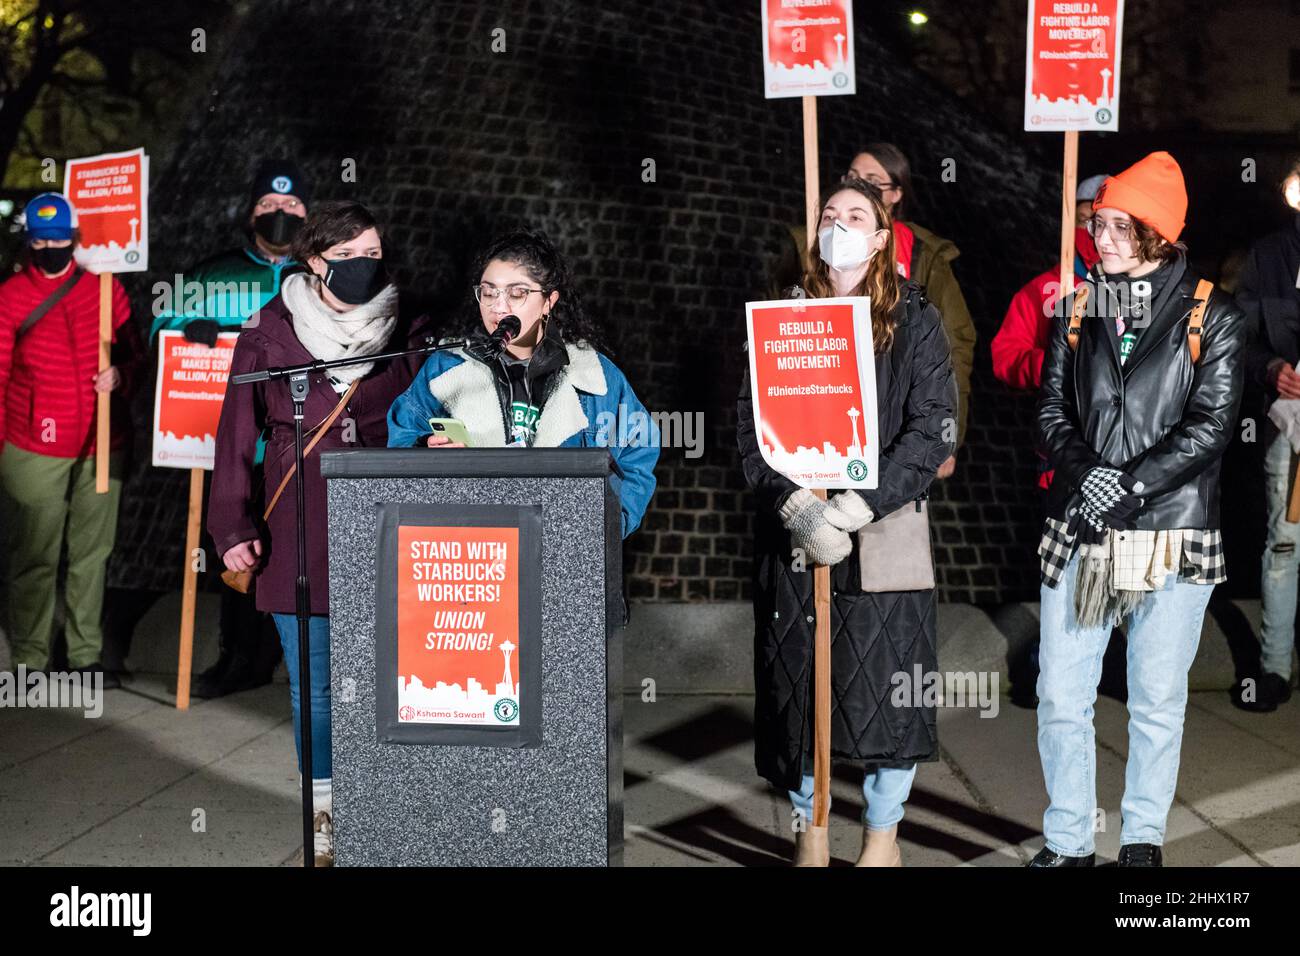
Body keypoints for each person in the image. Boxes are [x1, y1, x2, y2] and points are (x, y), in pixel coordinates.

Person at [1032, 152, 1246, 867]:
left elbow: (1213, 425)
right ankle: (1068, 844)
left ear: (1158, 233)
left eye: (1122, 225)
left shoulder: (1211, 313)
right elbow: (1051, 412)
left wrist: (1131, 484)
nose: (1104, 235)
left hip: (1166, 531)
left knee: (1156, 699)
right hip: (1087, 527)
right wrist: (1090, 475)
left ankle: (1142, 842)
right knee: (1062, 694)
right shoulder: (1077, 307)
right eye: (1100, 222)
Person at [739, 178, 956, 867]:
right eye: (829, 214)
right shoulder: (781, 321)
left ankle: (882, 839)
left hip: (885, 530)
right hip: (802, 536)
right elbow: (750, 430)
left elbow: (932, 429)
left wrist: (862, 504)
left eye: (854, 215)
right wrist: (799, 506)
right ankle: (811, 828)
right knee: (804, 685)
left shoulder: (916, 319)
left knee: (888, 685)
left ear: (882, 235)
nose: (838, 224)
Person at [208, 200, 433, 865]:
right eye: (348, 257)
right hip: (297, 522)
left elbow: (436, 420)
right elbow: (233, 437)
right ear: (313, 262)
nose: (364, 267)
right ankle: (327, 813)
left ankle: (384, 802)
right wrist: (231, 527)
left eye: (373, 255)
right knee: (316, 682)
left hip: (385, 521)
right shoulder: (268, 333)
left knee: (386, 676)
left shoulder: (412, 330)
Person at [117, 160, 311, 696]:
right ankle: (235, 656)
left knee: (290, 553)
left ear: (307, 214)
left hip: (295, 443)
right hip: (227, 444)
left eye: (291, 207)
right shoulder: (213, 274)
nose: (280, 215)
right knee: (232, 547)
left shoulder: (318, 279)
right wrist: (186, 324)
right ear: (251, 214)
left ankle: (274, 657)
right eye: (269, 208)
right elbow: (160, 326)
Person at [387, 228, 659, 541]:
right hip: (473, 551)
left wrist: (606, 527)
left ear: (549, 301)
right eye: (489, 292)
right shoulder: (447, 366)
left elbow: (638, 447)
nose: (498, 307)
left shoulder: (594, 375)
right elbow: (403, 434)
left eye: (517, 294)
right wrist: (424, 448)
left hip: (562, 550)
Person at [0, 193, 143, 687]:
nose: (50, 246)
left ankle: (84, 655)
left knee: (91, 554)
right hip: (31, 445)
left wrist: (120, 376)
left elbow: (136, 357)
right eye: (40, 239)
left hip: (102, 443)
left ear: (75, 240)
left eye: (59, 238)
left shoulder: (108, 291)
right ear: (29, 242)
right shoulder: (11, 295)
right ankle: (30, 659)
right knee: (34, 555)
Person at [772, 143, 975, 479]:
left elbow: (954, 346)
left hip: (893, 440)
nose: (860, 184)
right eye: (852, 177)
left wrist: (945, 436)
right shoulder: (805, 252)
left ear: (896, 193)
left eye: (872, 179)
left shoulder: (925, 259)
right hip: (817, 437)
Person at [1237, 158, 1300, 712]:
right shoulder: (1270, 256)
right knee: (1284, 542)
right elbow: (1240, 339)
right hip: (1290, 423)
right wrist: (1271, 369)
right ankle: (1274, 667)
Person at [991, 217, 1103, 491]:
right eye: (1090, 218)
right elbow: (1006, 357)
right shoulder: (1044, 289)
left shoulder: (1138, 292)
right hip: (1061, 448)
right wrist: (1051, 365)